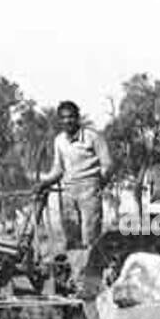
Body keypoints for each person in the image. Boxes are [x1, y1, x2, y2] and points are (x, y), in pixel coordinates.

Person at [38, 101, 112, 254]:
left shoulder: (93, 137)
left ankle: (92, 274)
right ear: (59, 120)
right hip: (68, 192)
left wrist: (98, 186)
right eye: (63, 118)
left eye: (71, 117)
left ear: (78, 118)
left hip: (89, 190)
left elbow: (108, 164)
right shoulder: (59, 141)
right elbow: (58, 169)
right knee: (71, 237)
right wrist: (44, 182)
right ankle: (75, 274)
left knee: (90, 237)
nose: (67, 121)